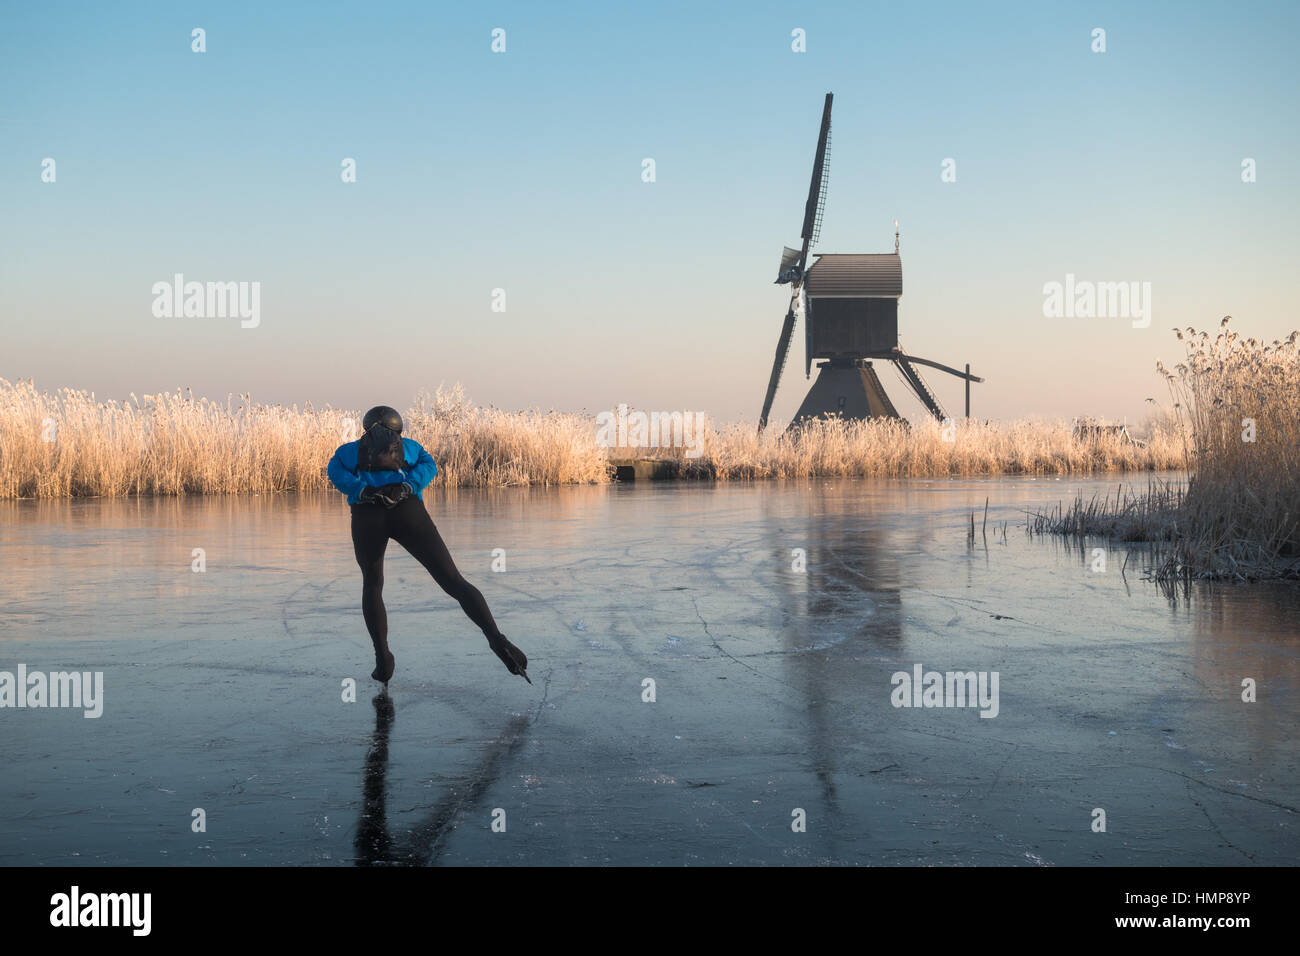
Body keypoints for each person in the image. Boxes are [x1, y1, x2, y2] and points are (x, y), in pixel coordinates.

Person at [327, 405, 530, 687]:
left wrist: (364, 490)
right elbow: (429, 467)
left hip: (367, 516)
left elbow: (335, 472)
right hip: (408, 513)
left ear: (366, 427)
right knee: (454, 580)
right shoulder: (410, 447)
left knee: (372, 585)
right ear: (398, 428)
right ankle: (498, 640)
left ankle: (383, 658)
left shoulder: (347, 452)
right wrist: (406, 487)